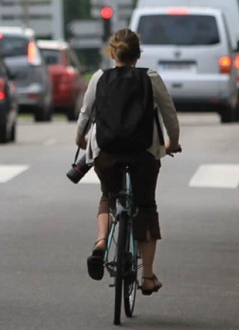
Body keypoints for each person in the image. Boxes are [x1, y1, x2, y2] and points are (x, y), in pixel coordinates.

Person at [74, 28, 181, 295]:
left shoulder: (99, 78)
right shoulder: (151, 78)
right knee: (145, 206)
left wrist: (80, 138)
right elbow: (169, 115)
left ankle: (101, 243)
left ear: (112, 53)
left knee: (108, 196)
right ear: (138, 54)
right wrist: (172, 142)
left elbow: (86, 113)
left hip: (107, 152)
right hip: (143, 152)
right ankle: (148, 277)